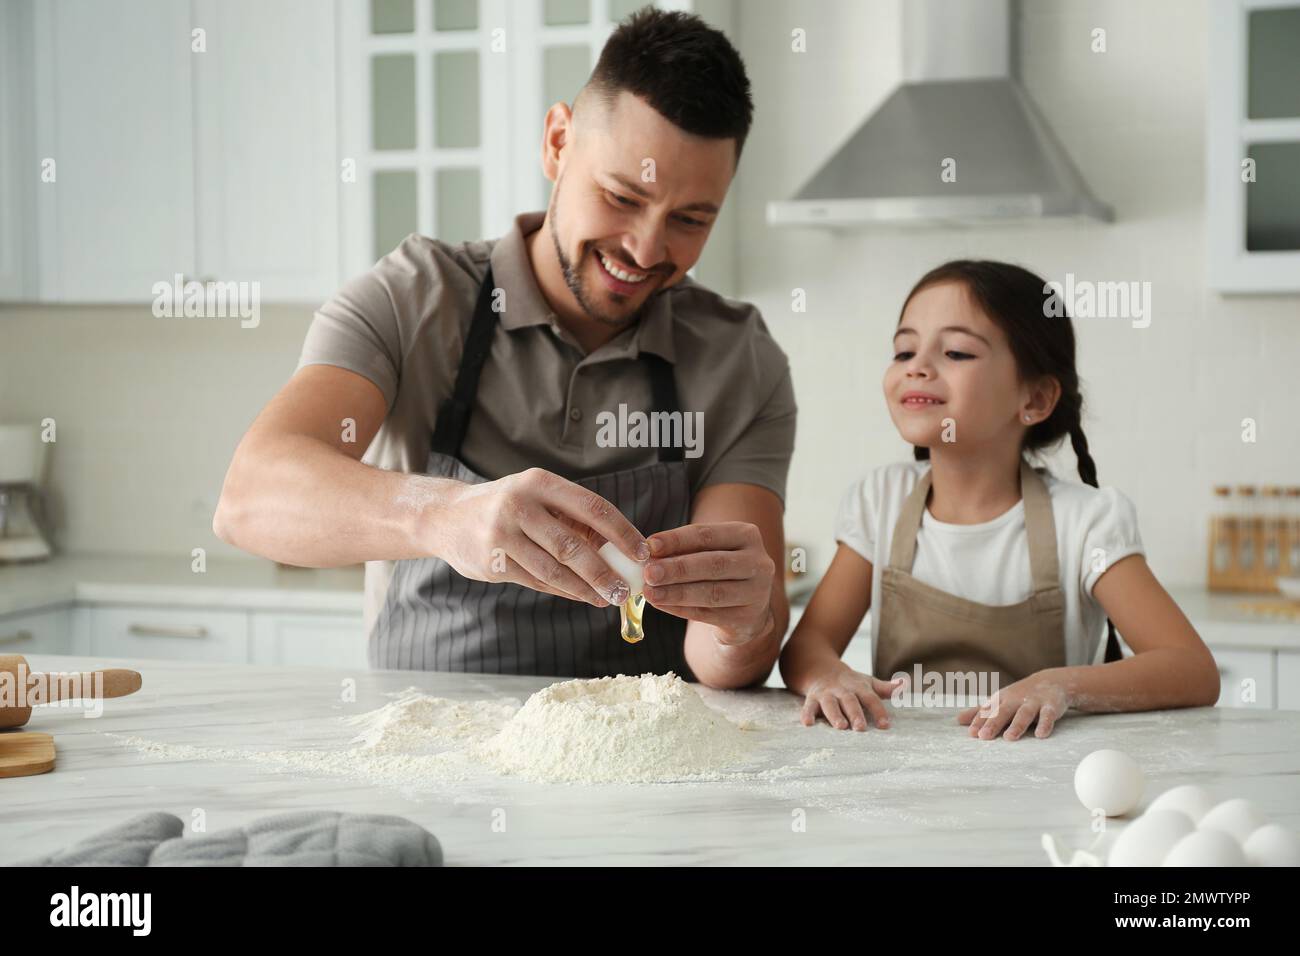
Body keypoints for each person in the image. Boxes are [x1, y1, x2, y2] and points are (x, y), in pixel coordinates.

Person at [213, 9, 796, 687]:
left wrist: (747, 622)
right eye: (621, 197)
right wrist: (438, 515)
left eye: (690, 220)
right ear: (556, 142)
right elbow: (249, 499)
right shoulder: (413, 299)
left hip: (643, 771)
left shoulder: (738, 359)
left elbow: (723, 664)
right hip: (429, 756)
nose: (645, 249)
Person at [779, 260, 1219, 738]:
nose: (918, 367)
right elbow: (809, 645)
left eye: (957, 352)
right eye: (904, 351)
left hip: (1042, 785)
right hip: (903, 782)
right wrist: (829, 675)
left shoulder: (1087, 522)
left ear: (1034, 399)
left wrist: (1061, 686)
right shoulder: (880, 501)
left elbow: (1191, 668)